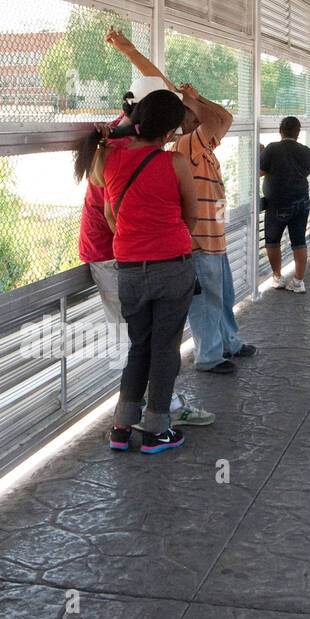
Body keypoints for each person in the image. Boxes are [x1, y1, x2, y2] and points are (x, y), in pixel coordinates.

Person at [104, 28, 253, 374]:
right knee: (206, 301)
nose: (200, 120)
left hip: (214, 238)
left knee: (223, 297)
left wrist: (194, 99)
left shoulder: (203, 146)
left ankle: (230, 342)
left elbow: (224, 119)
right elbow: (217, 119)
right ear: (181, 122)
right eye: (191, 116)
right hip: (200, 243)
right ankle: (210, 355)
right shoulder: (188, 145)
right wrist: (193, 101)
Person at [76, 76, 213, 427]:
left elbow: (110, 214)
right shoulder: (171, 161)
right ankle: (156, 426)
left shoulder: (108, 152)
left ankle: (122, 428)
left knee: (139, 347)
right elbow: (191, 215)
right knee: (164, 347)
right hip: (162, 263)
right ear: (166, 132)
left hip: (127, 264)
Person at [259, 115, 310, 292]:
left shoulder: (272, 148)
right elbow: (307, 171)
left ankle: (278, 277)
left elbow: (260, 171)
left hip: (277, 203)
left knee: (273, 241)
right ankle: (298, 281)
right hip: (302, 201)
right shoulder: (306, 151)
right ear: (298, 133)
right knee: (299, 241)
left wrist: (261, 154)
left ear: (280, 131)